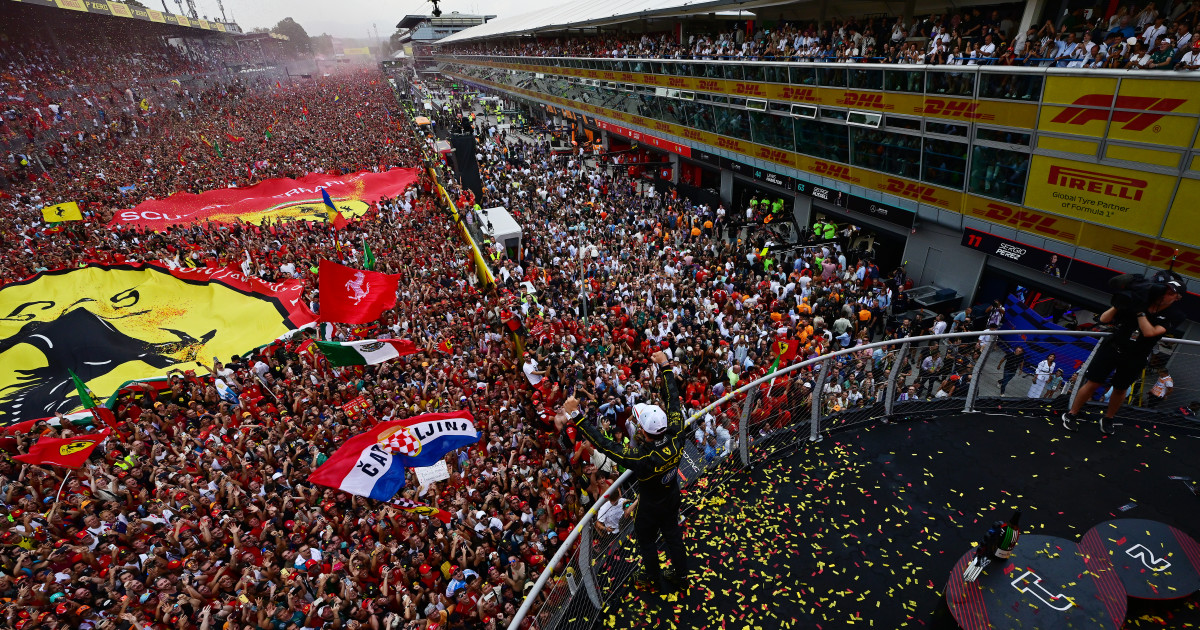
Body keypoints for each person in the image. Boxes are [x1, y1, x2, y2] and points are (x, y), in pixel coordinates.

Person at [555, 351, 688, 593]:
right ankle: (681, 576)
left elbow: (606, 445)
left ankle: (654, 581)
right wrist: (665, 366)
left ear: (643, 432)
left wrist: (575, 414)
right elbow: (675, 401)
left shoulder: (642, 457)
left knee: (647, 542)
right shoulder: (677, 433)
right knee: (673, 535)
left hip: (649, 507)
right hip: (671, 497)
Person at [1063, 272, 1186, 433]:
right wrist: (1121, 302)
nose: (1165, 295)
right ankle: (1072, 414)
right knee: (1093, 382)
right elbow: (1104, 319)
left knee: (1120, 389)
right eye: (1165, 290)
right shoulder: (1139, 301)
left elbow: (1149, 332)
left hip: (1136, 356)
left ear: (1177, 298)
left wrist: (1140, 312)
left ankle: (1108, 418)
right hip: (1113, 348)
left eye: (1171, 293)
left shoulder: (1175, 315)